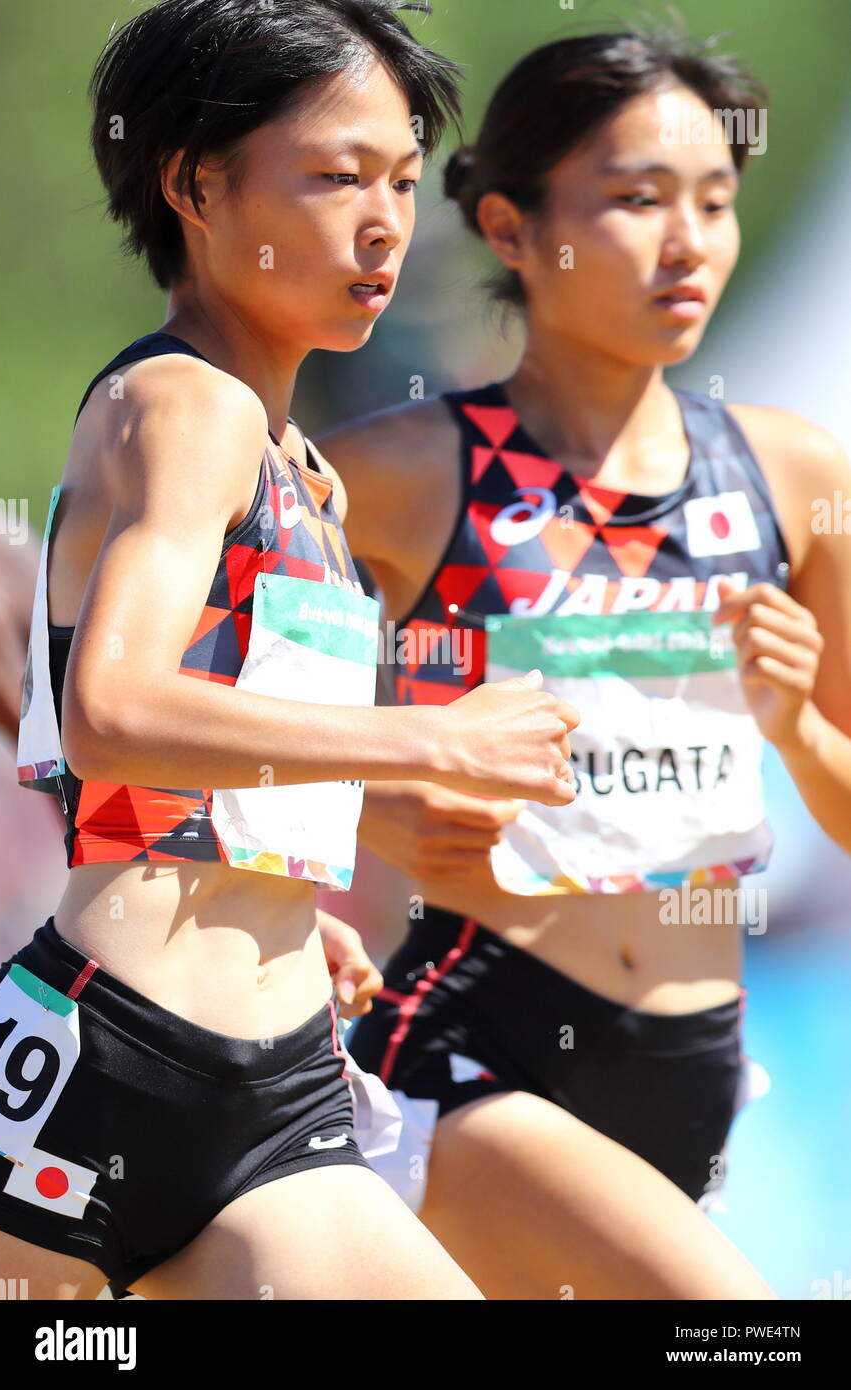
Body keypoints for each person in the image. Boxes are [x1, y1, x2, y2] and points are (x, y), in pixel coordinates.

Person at [0, 0, 582, 1302]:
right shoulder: (183, 404)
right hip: (106, 1061)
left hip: (274, 1093)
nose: (382, 222)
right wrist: (432, 735)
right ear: (194, 183)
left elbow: (130, 756)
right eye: (332, 176)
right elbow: (112, 706)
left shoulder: (297, 464)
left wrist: (278, 885)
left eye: (403, 181)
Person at [320, 29, 851, 1299]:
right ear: (509, 228)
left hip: (698, 1072)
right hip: (471, 1045)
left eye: (714, 204)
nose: (688, 245)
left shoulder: (795, 477)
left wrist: (793, 730)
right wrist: (369, 799)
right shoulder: (394, 477)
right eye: (634, 200)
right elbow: (173, 721)